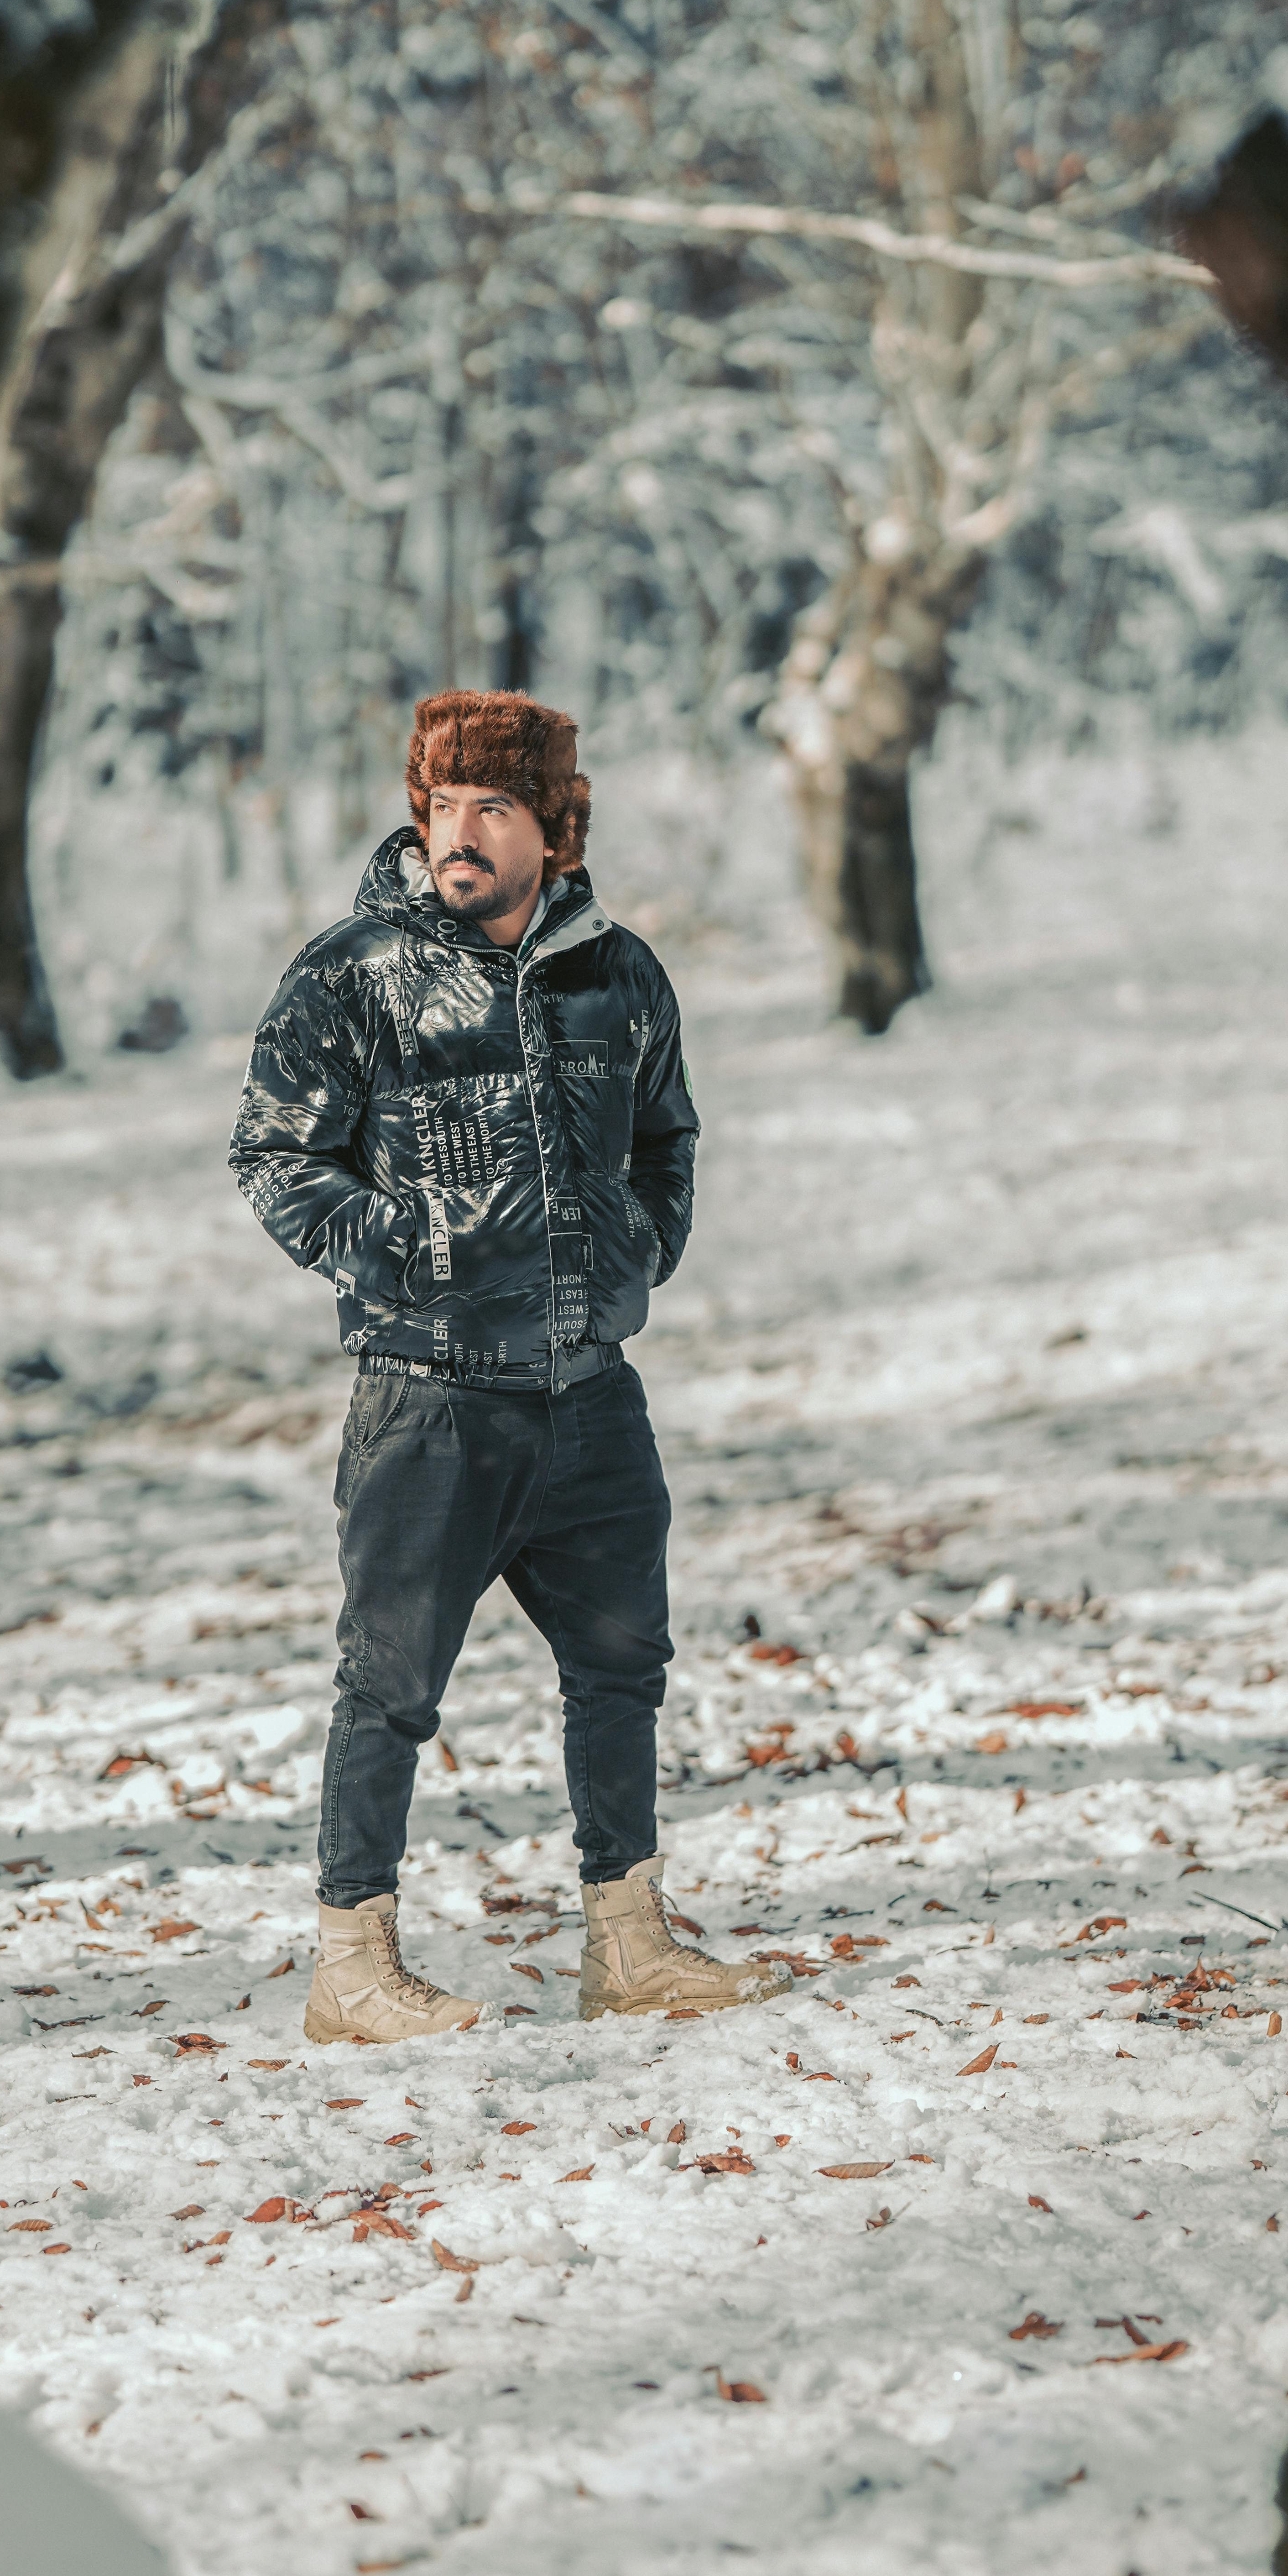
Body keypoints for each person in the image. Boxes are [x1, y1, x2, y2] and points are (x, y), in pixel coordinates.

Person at [229, 688, 791, 2045]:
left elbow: (669, 1140)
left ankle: (629, 1941)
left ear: (555, 826)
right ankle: (352, 1964)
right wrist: (406, 1246)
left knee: (622, 1671)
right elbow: (273, 1155)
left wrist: (640, 1246)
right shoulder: (354, 971)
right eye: (442, 809)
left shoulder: (620, 973)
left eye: (493, 808)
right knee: (391, 1686)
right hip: (431, 1402)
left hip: (591, 1396)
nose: (460, 836)